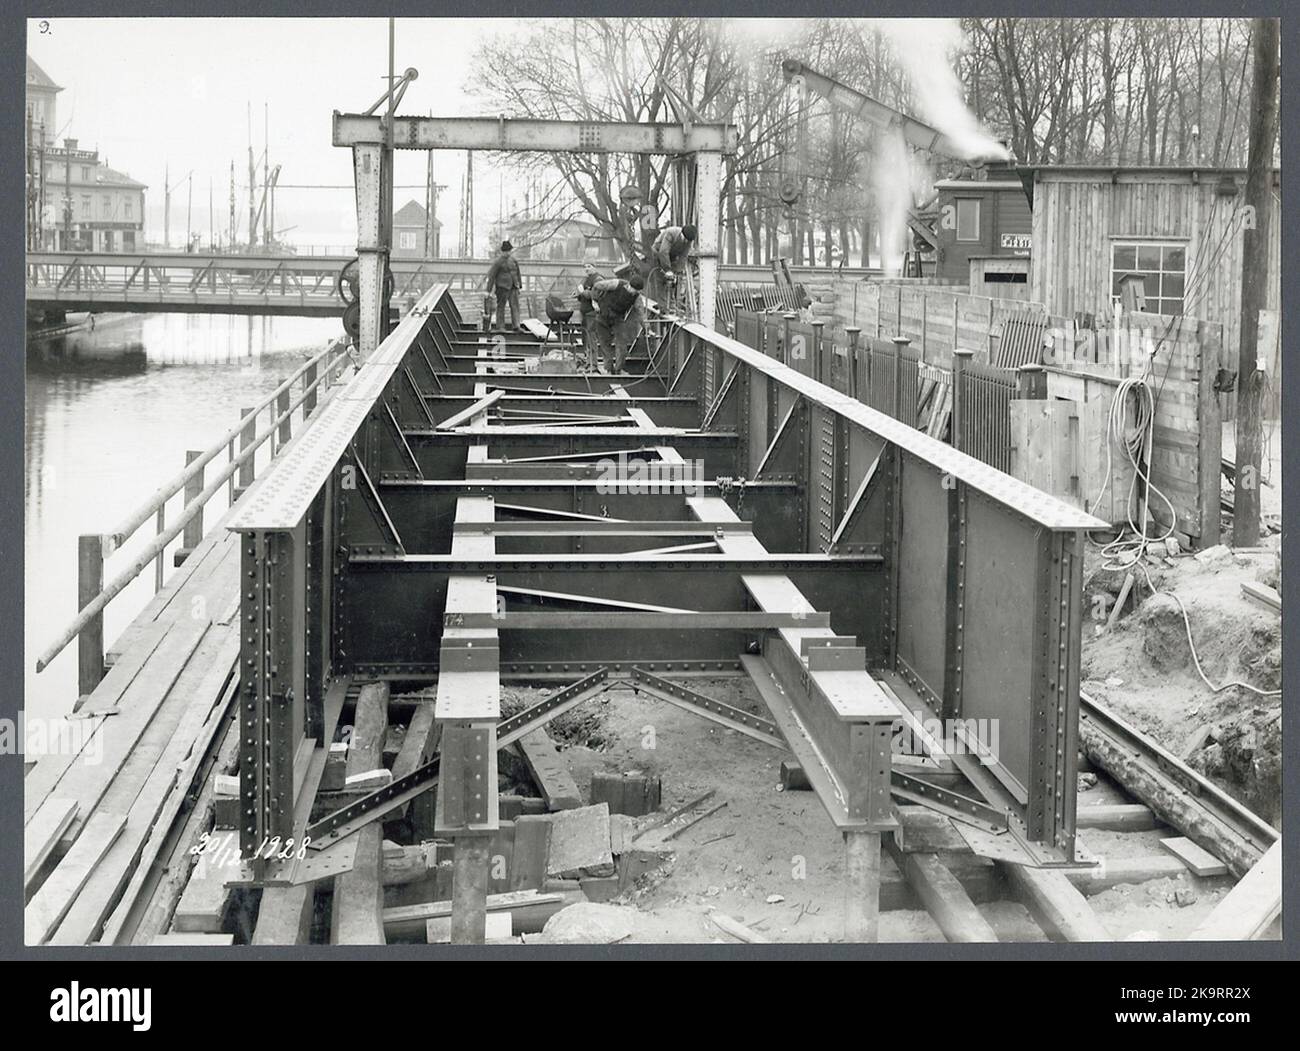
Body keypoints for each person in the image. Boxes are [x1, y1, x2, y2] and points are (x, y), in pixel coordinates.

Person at [590, 272, 645, 375]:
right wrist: (594, 301)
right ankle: (609, 369)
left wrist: (647, 327)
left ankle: (618, 369)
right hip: (602, 316)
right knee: (605, 344)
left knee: (622, 345)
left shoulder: (636, 297)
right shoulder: (616, 284)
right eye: (634, 290)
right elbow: (597, 285)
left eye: (637, 291)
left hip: (617, 319)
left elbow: (640, 312)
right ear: (629, 286)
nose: (634, 293)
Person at [649, 223, 696, 310]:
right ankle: (662, 305)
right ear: (681, 234)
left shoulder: (689, 241)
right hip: (658, 252)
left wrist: (677, 271)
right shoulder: (671, 233)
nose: (686, 242)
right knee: (661, 279)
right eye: (685, 239)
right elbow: (663, 252)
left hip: (672, 255)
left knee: (673, 281)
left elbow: (683, 257)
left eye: (688, 241)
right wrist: (668, 270)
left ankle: (671, 304)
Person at [484, 240, 523, 332]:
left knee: (515, 306)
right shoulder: (498, 262)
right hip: (502, 287)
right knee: (501, 306)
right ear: (503, 251)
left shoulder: (514, 261)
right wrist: (488, 291)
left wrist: (519, 285)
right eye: (506, 251)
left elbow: (518, 273)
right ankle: (500, 326)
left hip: (513, 287)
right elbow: (492, 276)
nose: (508, 253)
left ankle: (516, 325)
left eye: (509, 251)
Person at [573, 262, 605, 370]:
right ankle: (588, 361)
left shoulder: (598, 279)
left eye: (589, 266)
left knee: (592, 339)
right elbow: (583, 294)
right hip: (585, 312)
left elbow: (595, 295)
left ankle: (594, 364)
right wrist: (578, 294)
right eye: (585, 267)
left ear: (594, 267)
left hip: (592, 313)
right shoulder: (587, 279)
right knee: (585, 338)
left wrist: (583, 292)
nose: (586, 269)